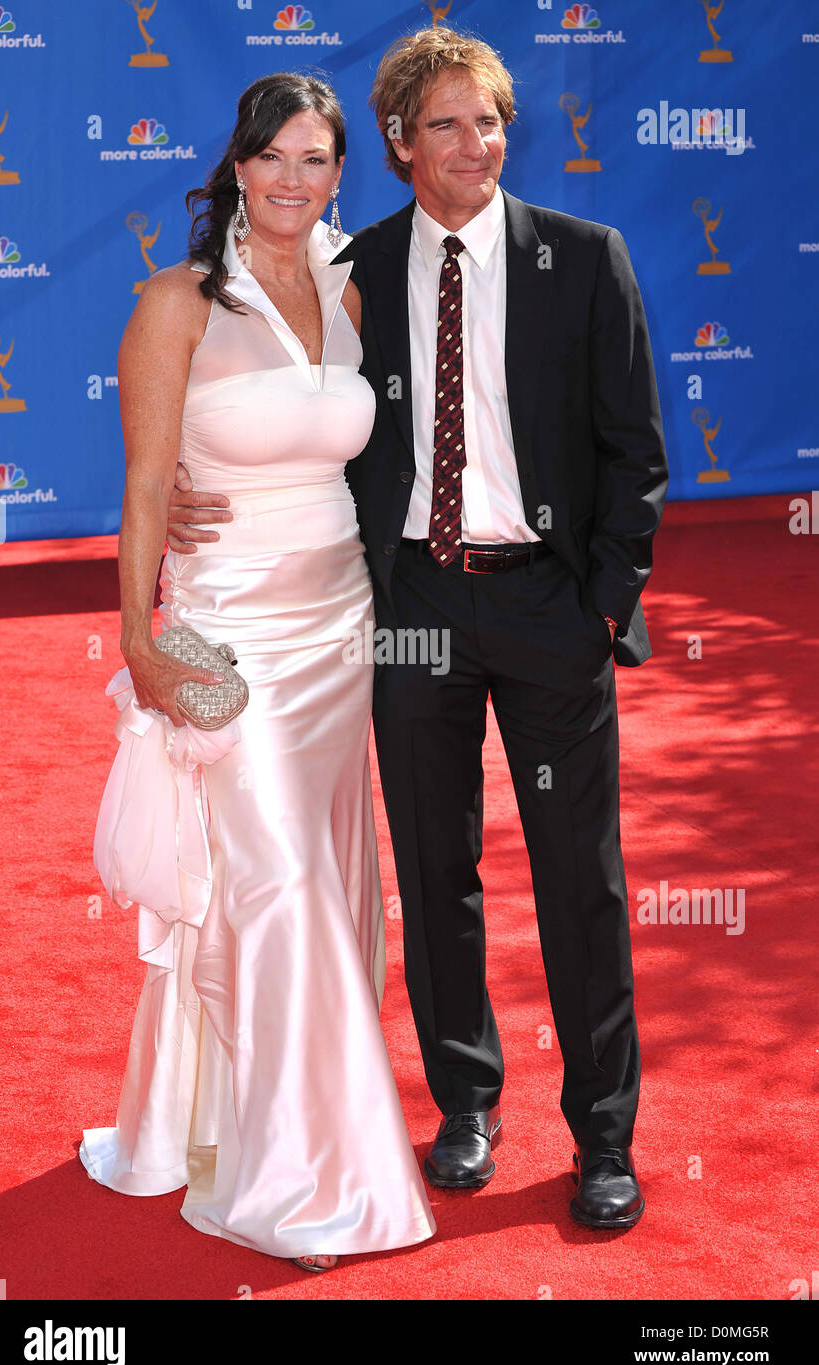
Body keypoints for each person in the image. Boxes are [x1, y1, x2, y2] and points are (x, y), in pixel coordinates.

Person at [168, 28, 669, 1230]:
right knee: (436, 872)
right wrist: (184, 479)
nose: (472, 145)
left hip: (548, 607)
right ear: (396, 146)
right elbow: (273, 383)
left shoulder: (584, 259)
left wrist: (603, 598)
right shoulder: (359, 268)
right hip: (414, 616)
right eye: (442, 125)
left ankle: (602, 1132)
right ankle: (465, 1103)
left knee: (578, 877)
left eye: (487, 120)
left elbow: (633, 452)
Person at [79, 72, 436, 1274]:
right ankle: (299, 1178)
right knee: (277, 883)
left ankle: (242, 1122)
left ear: (343, 172)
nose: (294, 180)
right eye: (274, 157)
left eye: (316, 160)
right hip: (228, 636)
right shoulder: (176, 302)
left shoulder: (353, 288)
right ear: (238, 165)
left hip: (342, 623)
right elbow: (141, 487)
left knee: (318, 882)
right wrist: (140, 638)